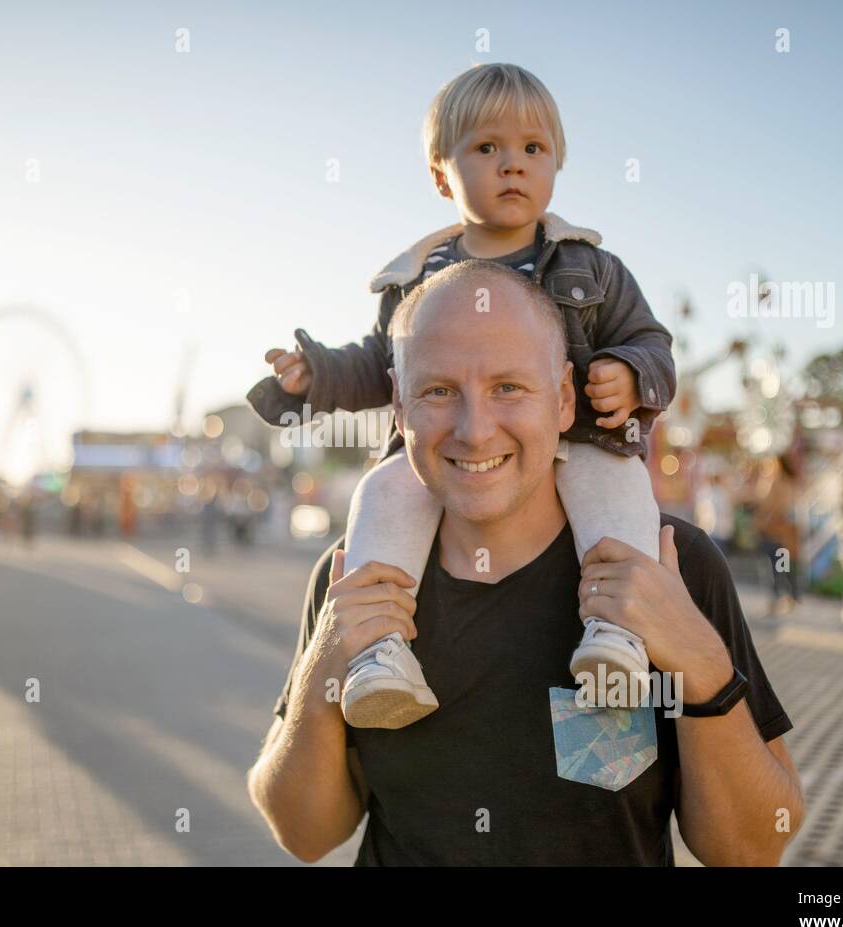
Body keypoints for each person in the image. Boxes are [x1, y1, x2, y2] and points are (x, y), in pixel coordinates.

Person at [246, 262, 801, 865]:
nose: (475, 431)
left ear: (564, 399)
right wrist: (322, 670)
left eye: (508, 387)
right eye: (438, 392)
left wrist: (698, 658)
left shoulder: (671, 565)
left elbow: (753, 849)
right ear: (399, 410)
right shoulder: (356, 572)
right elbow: (303, 834)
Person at [248, 63, 675, 728]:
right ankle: (381, 654)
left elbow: (653, 345)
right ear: (442, 175)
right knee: (381, 495)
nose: (513, 166)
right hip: (447, 453)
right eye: (487, 148)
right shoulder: (412, 281)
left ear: (557, 162)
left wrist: (628, 370)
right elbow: (376, 367)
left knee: (622, 494)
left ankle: (616, 634)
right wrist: (316, 375)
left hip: (582, 439)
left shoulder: (592, 266)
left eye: (533, 149)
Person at [753, 455, 801, 616]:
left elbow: (770, 504)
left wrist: (764, 518)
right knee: (780, 565)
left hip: (774, 530)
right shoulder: (786, 482)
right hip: (778, 530)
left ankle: (780, 597)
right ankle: (787, 597)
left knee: (775, 566)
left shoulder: (777, 482)